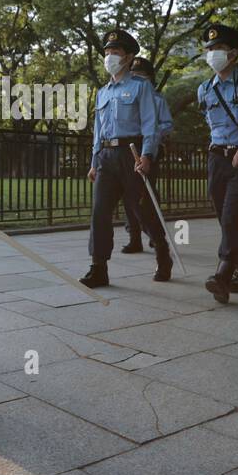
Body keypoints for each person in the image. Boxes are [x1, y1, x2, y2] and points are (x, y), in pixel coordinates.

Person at [79, 29, 174, 287]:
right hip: (107, 158)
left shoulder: (141, 87)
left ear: (129, 57)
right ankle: (98, 267)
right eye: (107, 52)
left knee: (142, 210)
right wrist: (93, 162)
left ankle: (163, 253)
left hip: (132, 154)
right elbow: (98, 131)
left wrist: (147, 155)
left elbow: (150, 124)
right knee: (99, 212)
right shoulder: (103, 92)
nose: (109, 57)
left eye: (115, 52)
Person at [196, 24, 238, 301]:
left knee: (232, 218)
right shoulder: (204, 89)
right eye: (210, 49)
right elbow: (209, 123)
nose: (213, 54)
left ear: (234, 53)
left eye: (218, 49)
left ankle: (222, 274)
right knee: (225, 220)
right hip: (216, 158)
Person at [120, 56, 173, 254]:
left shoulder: (158, 99)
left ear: (150, 78)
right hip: (127, 150)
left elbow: (167, 125)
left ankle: (154, 234)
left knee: (145, 194)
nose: (136, 78)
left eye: (141, 75)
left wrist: (152, 133)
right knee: (127, 194)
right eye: (133, 74)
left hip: (149, 149)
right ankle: (134, 237)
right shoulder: (125, 96)